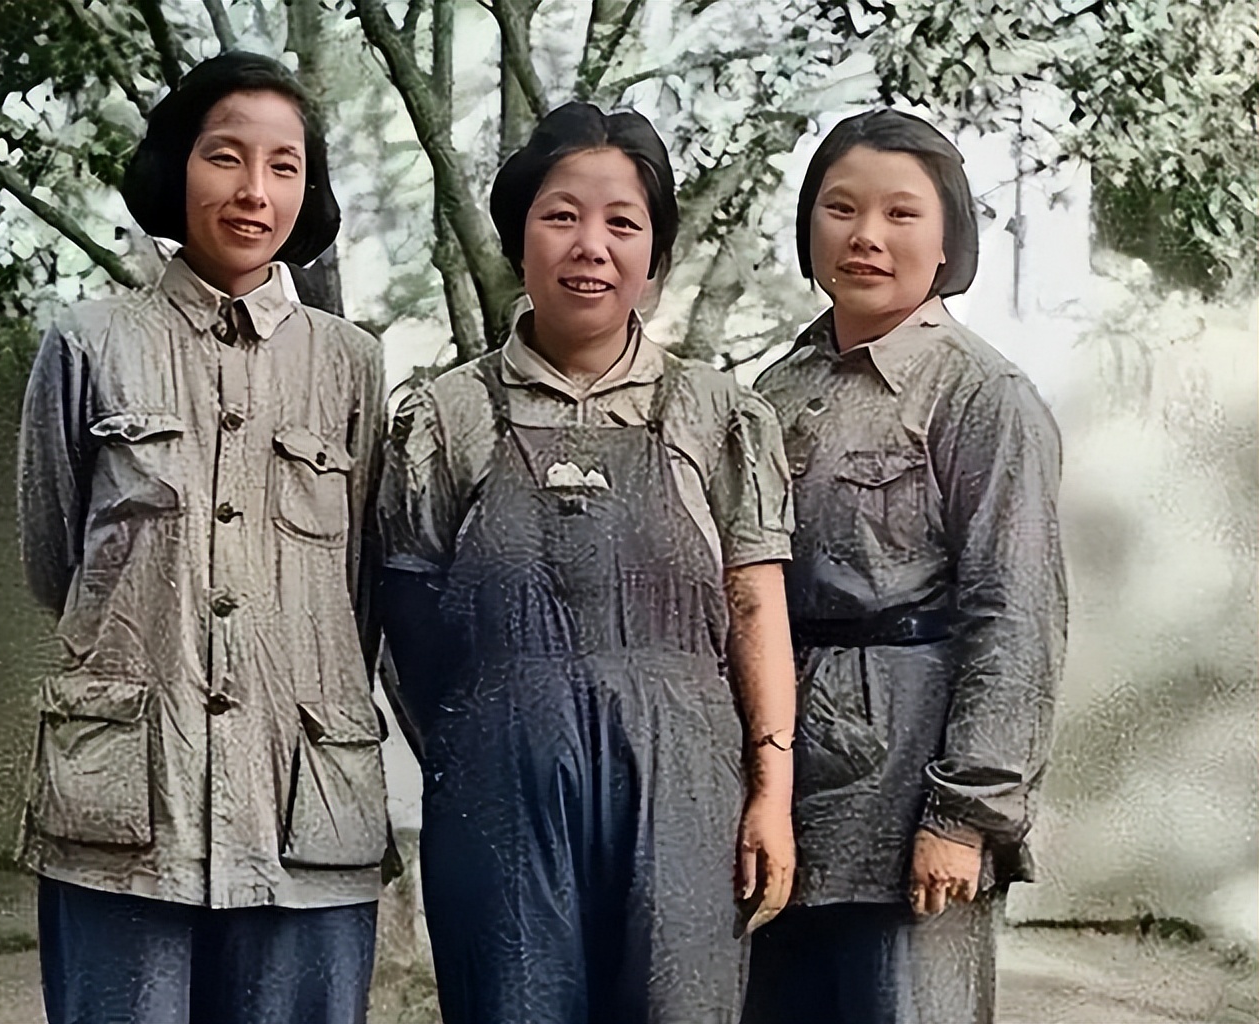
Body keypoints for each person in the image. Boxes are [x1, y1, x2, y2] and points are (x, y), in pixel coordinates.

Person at [379, 101, 796, 1024]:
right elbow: (407, 632)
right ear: (519, 234)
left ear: (654, 252)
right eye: (561, 216)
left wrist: (771, 790)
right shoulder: (442, 419)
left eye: (622, 222)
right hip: (498, 791)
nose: (590, 246)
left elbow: (757, 607)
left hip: (689, 794)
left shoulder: (718, 417)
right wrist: (489, 737)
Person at [18, 52, 393, 1024]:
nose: (253, 189)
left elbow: (355, 590)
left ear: (308, 188)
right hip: (126, 804)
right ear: (178, 167)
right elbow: (58, 559)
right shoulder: (88, 343)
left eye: (284, 165)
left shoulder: (351, 366)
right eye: (226, 157)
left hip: (306, 809)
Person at [741, 108, 1066, 1024]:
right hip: (781, 794)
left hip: (907, 794)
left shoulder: (982, 395)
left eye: (901, 214)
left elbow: (1018, 613)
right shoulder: (775, 392)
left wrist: (965, 815)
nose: (867, 236)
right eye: (841, 209)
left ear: (949, 236)